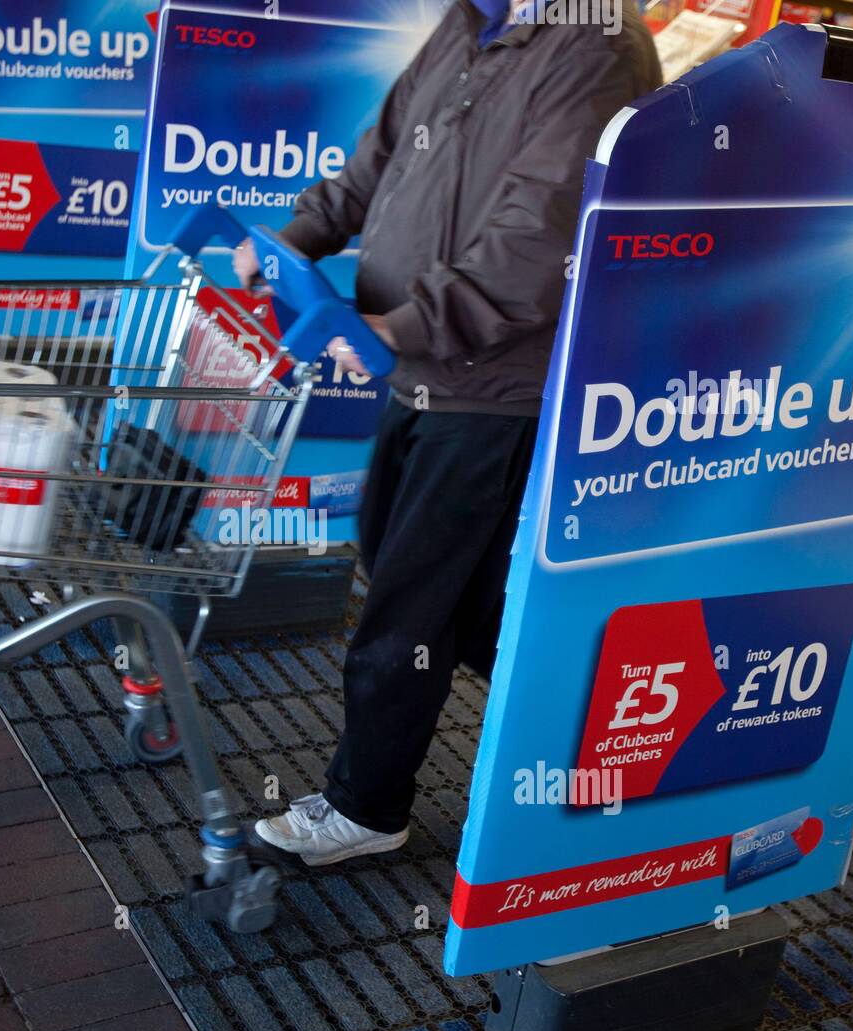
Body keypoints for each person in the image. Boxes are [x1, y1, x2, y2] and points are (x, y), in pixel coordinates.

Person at [240, 0, 662, 865]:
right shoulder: (473, 21)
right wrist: (301, 231)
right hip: (420, 365)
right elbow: (383, 155)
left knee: (411, 608)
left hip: (492, 386)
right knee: (438, 590)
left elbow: (540, 241)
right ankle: (573, 766)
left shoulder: (597, 46)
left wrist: (406, 326)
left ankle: (368, 805)